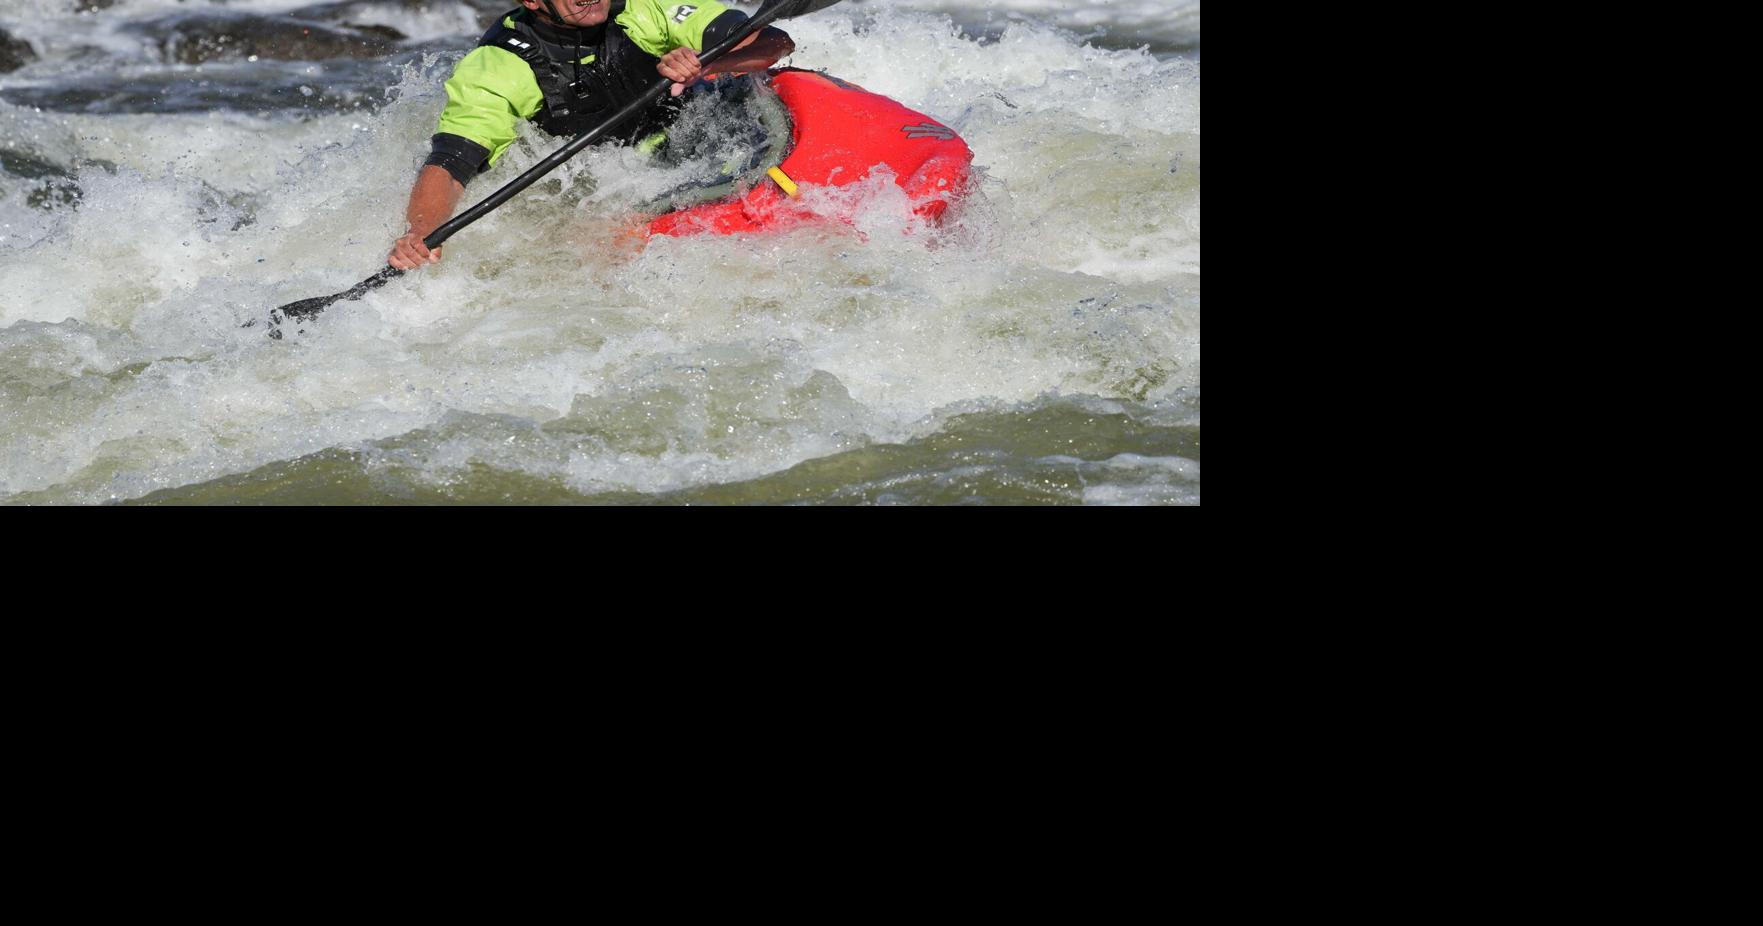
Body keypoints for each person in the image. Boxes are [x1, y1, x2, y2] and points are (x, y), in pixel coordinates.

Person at [388, 0, 794, 270]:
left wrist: (711, 64)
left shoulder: (646, 6)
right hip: (626, 177)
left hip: (710, 128)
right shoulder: (498, 67)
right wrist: (420, 232)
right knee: (596, 242)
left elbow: (775, 42)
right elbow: (451, 164)